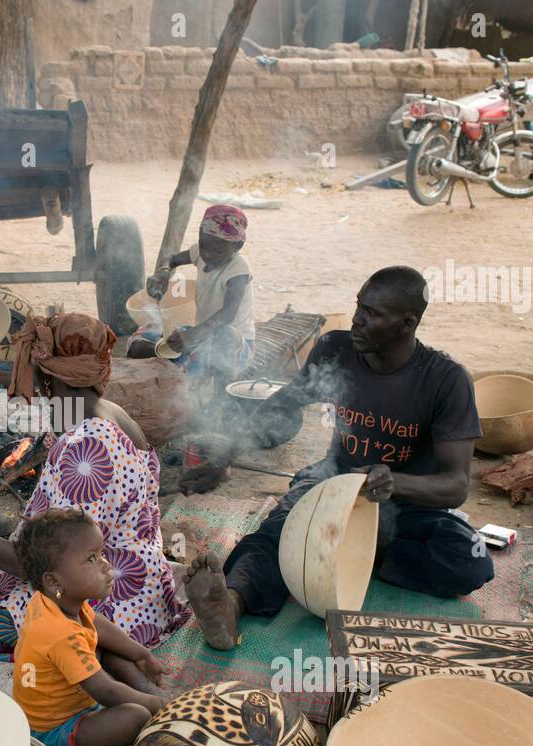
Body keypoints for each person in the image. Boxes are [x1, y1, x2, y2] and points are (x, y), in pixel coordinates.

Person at [179, 266, 495, 649]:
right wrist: (225, 456)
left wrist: (396, 483)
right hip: (332, 483)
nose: (358, 319)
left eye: (374, 314)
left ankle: (355, 553)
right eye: (360, 305)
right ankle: (229, 605)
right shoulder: (335, 348)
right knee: (276, 533)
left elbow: (456, 485)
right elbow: (284, 403)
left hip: (405, 503)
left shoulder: (445, 380)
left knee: (471, 562)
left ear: (407, 323)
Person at [0, 312, 193, 653]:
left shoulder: (85, 447)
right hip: (141, 590)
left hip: (99, 608)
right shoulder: (113, 414)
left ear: (46, 376)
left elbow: (43, 568)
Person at [12, 509, 165, 746]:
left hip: (76, 699)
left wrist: (142, 654)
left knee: (110, 649)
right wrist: (159, 707)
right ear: (53, 581)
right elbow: (107, 692)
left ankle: (147, 692)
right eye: (92, 559)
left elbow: (96, 624)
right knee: (135, 716)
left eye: (101, 554)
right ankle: (155, 701)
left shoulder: (55, 600)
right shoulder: (58, 633)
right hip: (53, 733)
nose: (106, 565)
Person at [129, 204, 255, 387]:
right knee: (143, 337)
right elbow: (171, 259)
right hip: (202, 336)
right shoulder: (200, 252)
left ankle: (220, 401)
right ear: (199, 235)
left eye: (218, 250)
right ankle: (181, 363)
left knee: (225, 335)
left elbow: (228, 314)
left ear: (238, 246)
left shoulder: (239, 267)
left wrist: (192, 336)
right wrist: (163, 272)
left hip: (235, 346)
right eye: (204, 246)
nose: (208, 254)